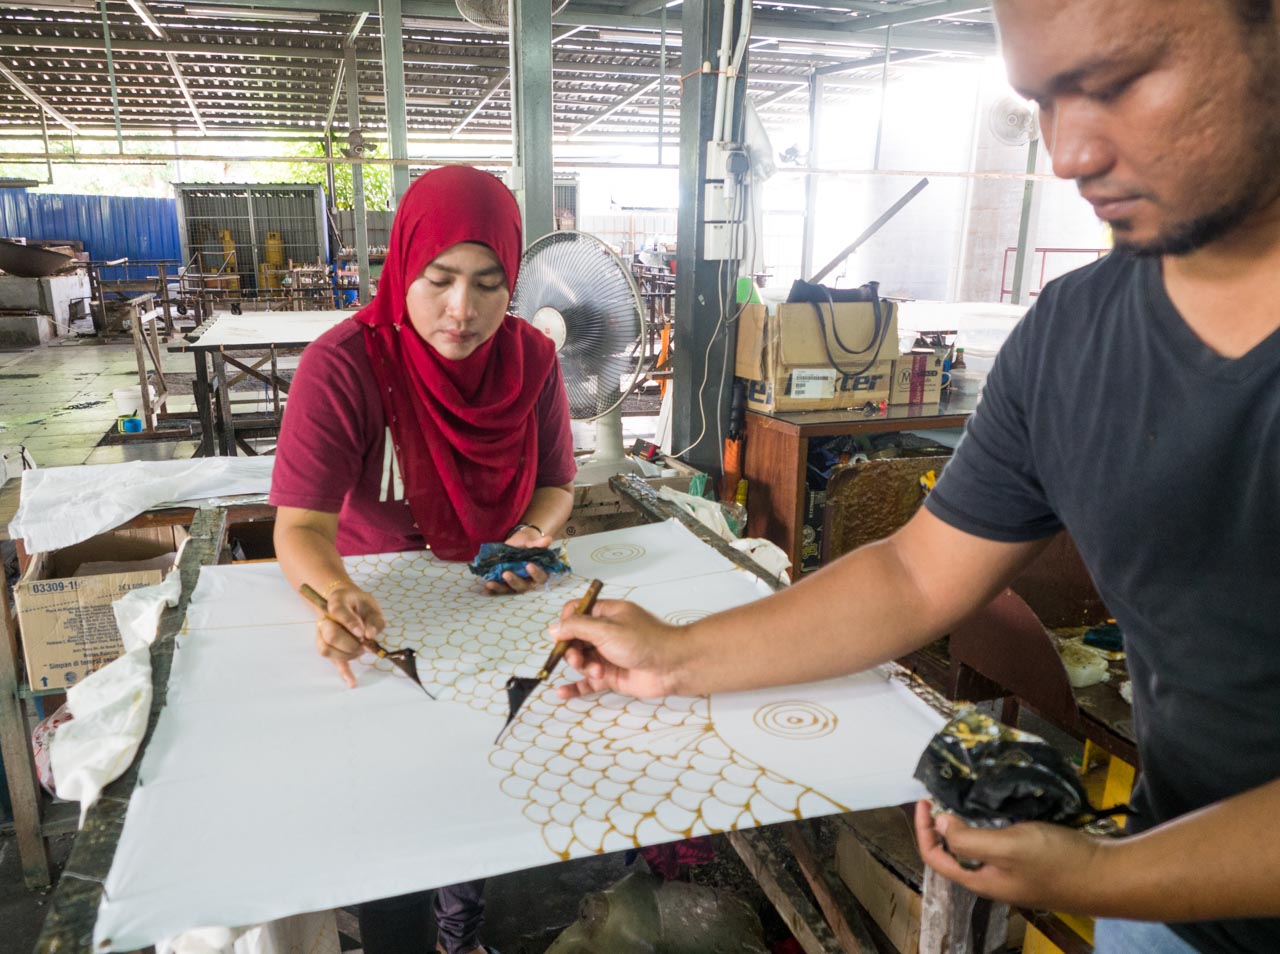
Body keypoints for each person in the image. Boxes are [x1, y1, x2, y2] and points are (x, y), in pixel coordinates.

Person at [551, 1, 1280, 951]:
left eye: (1115, 84)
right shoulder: (1073, 337)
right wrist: (676, 657)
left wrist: (1105, 874)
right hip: (1171, 908)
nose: (1069, 153)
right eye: (1043, 102)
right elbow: (914, 574)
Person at [270, 165, 577, 954]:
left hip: (490, 604)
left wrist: (532, 534)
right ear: (403, 265)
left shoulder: (532, 362)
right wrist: (334, 594)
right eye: (438, 280)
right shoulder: (345, 366)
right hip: (380, 610)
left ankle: (460, 933)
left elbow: (555, 485)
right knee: (395, 804)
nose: (462, 310)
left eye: (489, 284)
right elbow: (300, 526)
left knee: (478, 779)